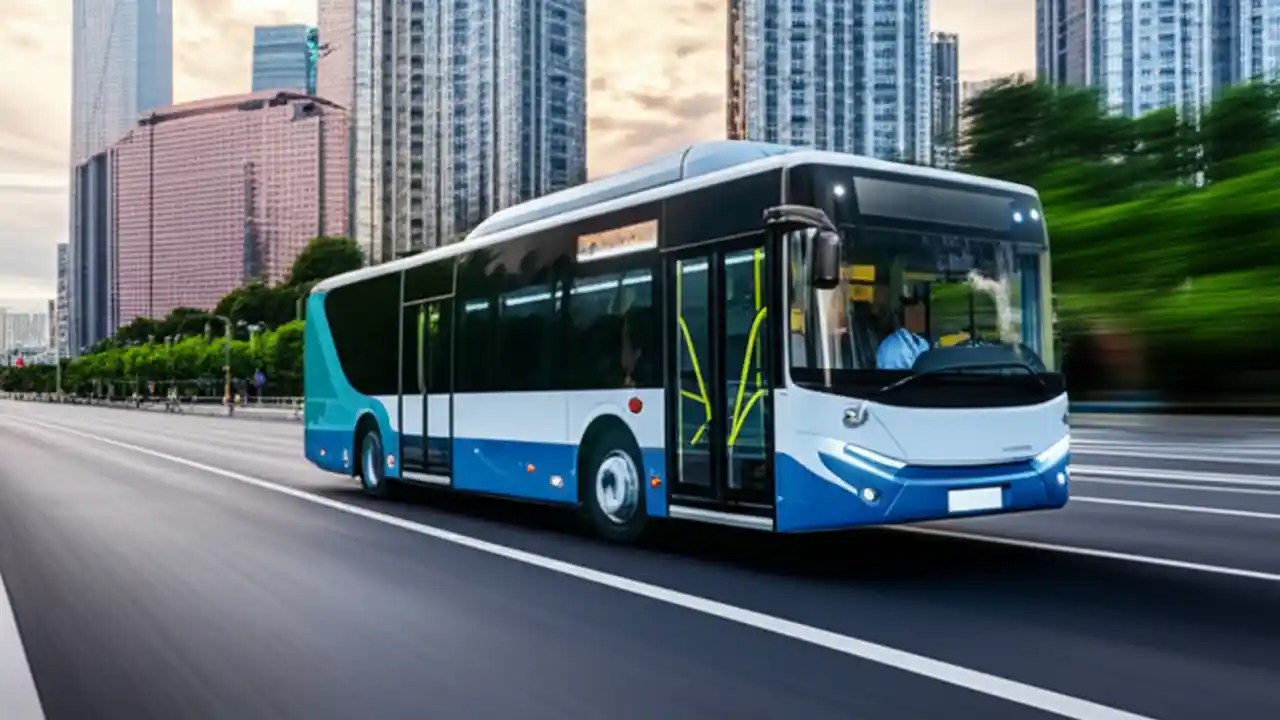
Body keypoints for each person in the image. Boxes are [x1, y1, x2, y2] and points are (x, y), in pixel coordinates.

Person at [876, 295, 930, 370]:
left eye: (923, 315)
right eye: (918, 315)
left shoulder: (921, 342)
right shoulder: (892, 349)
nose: (923, 320)